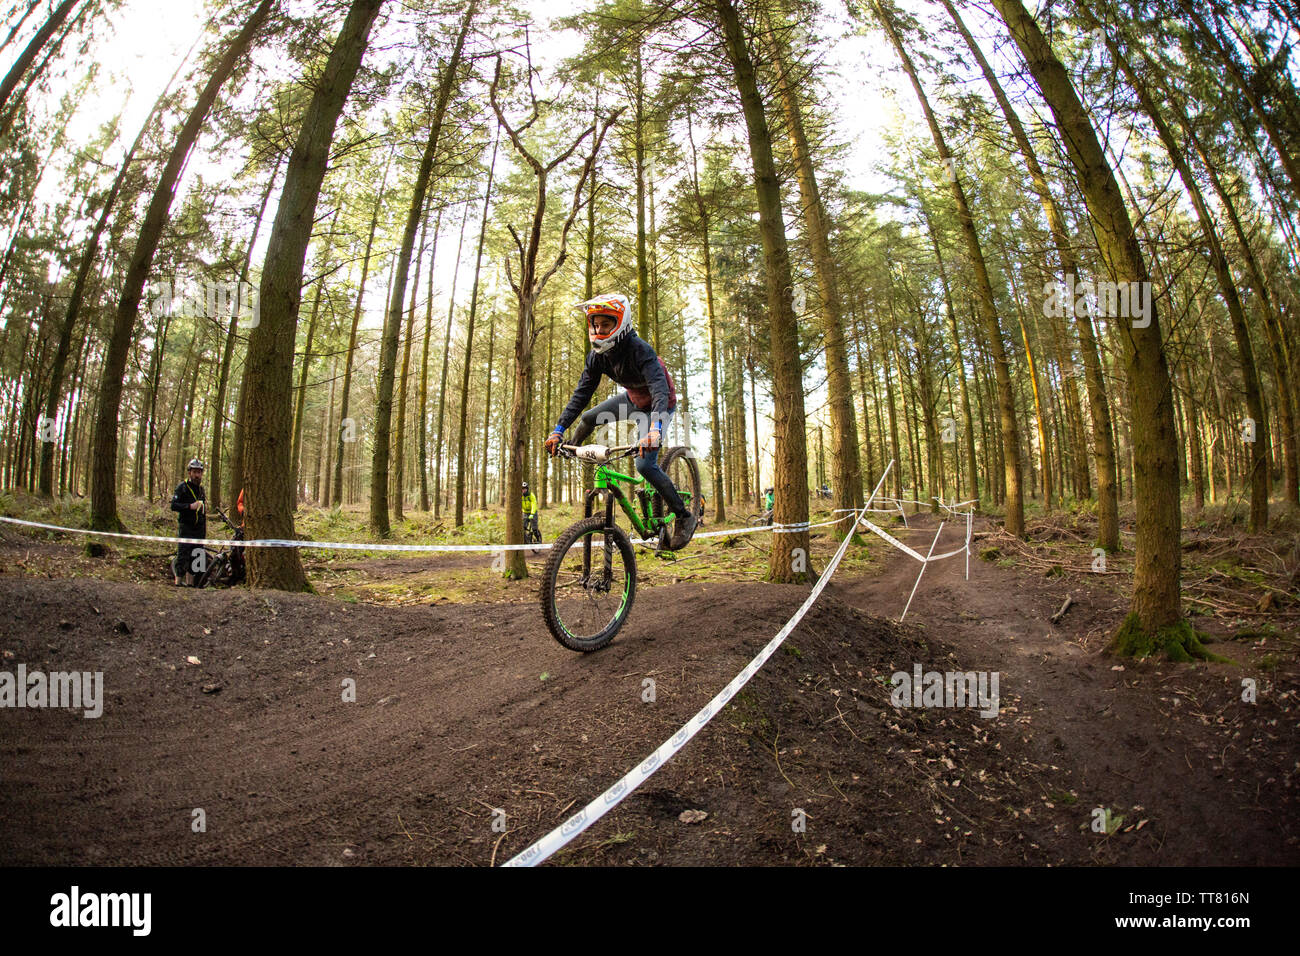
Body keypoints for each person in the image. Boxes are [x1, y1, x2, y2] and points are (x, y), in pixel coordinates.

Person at [544, 294, 697, 550]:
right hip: (632, 399)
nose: (598, 330)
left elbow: (659, 389)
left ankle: (684, 516)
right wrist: (558, 431)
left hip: (658, 406)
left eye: (605, 324)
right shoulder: (597, 357)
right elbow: (582, 393)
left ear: (621, 323)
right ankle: (572, 448)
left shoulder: (640, 350)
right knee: (589, 417)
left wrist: (654, 430)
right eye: (594, 324)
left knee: (644, 465)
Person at [171, 459, 207, 586]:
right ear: (189, 473)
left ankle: (191, 584)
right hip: (186, 526)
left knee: (197, 555)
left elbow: (203, 510)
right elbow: (174, 505)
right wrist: (189, 506)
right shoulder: (182, 487)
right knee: (183, 554)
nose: (197, 475)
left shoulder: (201, 490)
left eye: (199, 472)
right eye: (195, 472)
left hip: (199, 528)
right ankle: (178, 583)